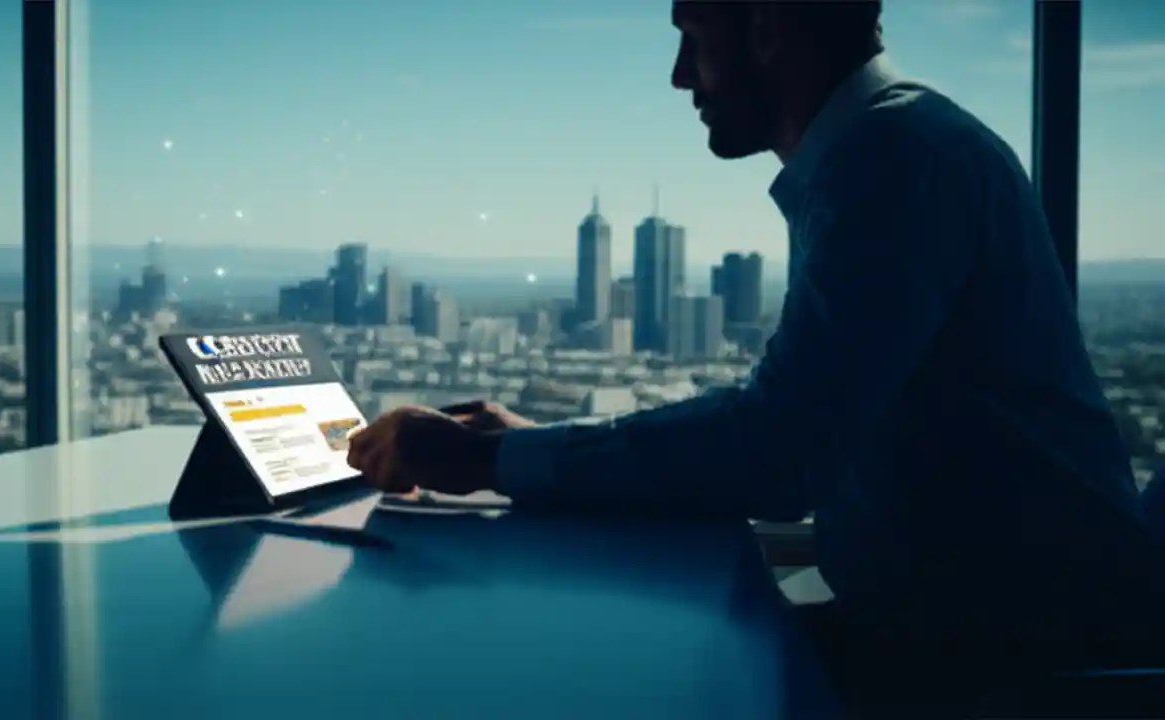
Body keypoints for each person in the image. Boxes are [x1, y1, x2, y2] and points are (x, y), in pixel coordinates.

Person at [348, 0, 1164, 714]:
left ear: (767, 27)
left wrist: (490, 459)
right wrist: (529, 445)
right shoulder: (898, 146)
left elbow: (778, 444)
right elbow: (795, 425)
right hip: (985, 638)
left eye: (692, 35)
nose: (678, 75)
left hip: (1029, 673)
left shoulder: (893, 158)